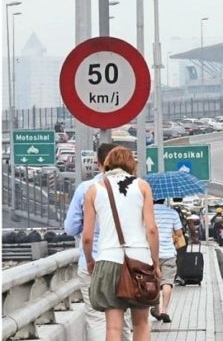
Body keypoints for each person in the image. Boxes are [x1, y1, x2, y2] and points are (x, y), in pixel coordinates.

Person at [81, 146, 160, 341]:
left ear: (107, 164)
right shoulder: (142, 186)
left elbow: (87, 237)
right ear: (131, 164)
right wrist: (156, 263)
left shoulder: (94, 190)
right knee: (141, 324)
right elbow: (151, 229)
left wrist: (90, 260)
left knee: (113, 328)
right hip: (140, 261)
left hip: (108, 260)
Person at [64, 143, 131, 341]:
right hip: (123, 262)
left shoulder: (86, 189)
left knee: (96, 318)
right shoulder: (134, 186)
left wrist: (89, 258)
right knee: (123, 317)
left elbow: (72, 228)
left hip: (92, 262)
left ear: (98, 163)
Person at [151, 199, 183, 324]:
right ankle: (164, 310)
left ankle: (156, 309)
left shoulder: (147, 212)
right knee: (167, 282)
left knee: (154, 282)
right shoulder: (172, 213)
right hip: (168, 253)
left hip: (150, 253)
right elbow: (179, 233)